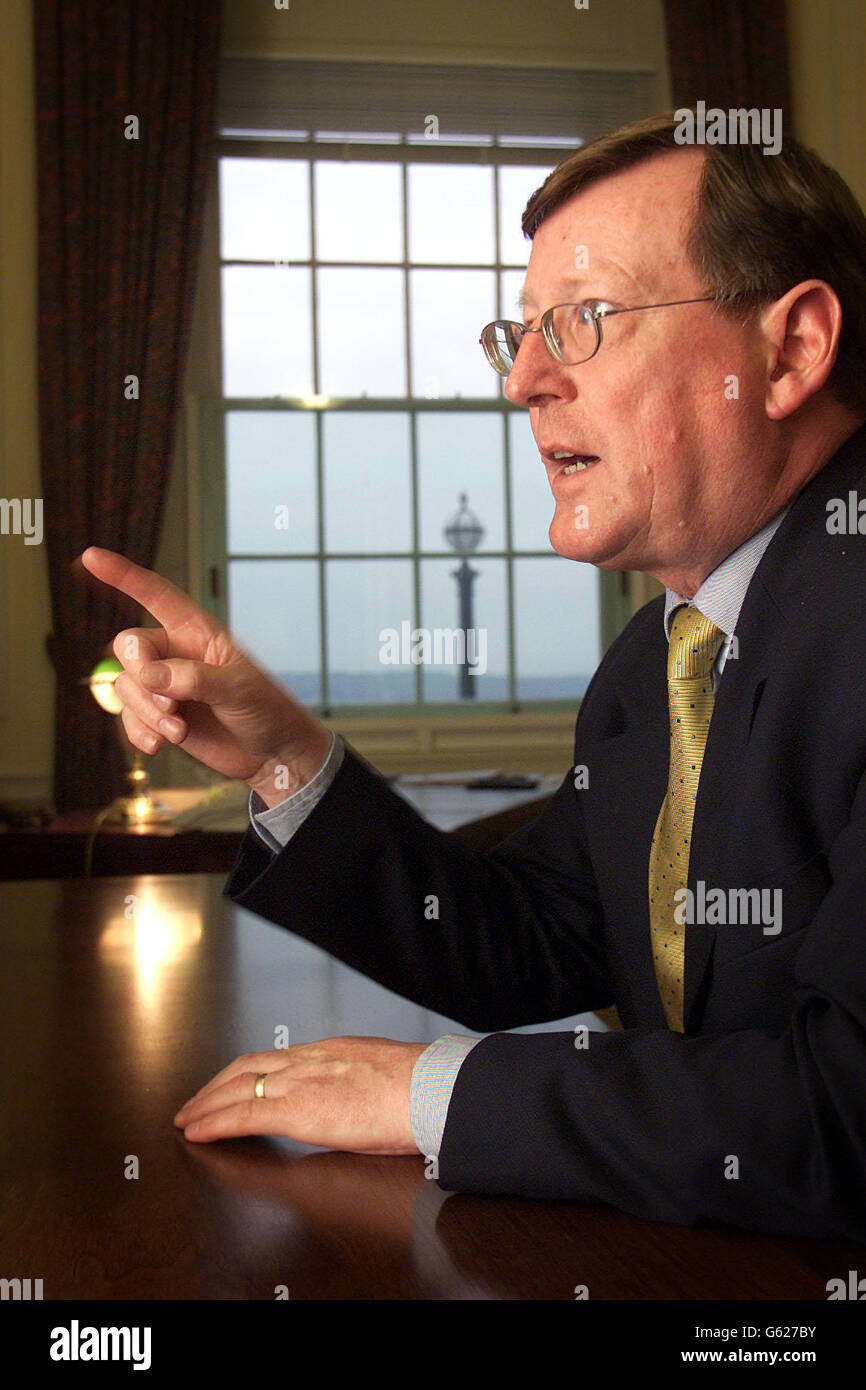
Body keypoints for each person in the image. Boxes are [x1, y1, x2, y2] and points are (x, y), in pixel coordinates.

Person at [81, 110, 866, 1241]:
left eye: (584, 321)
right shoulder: (659, 661)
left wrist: (425, 1094)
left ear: (789, 350)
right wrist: (282, 756)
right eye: (522, 333)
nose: (525, 382)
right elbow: (526, 938)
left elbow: (839, 1110)